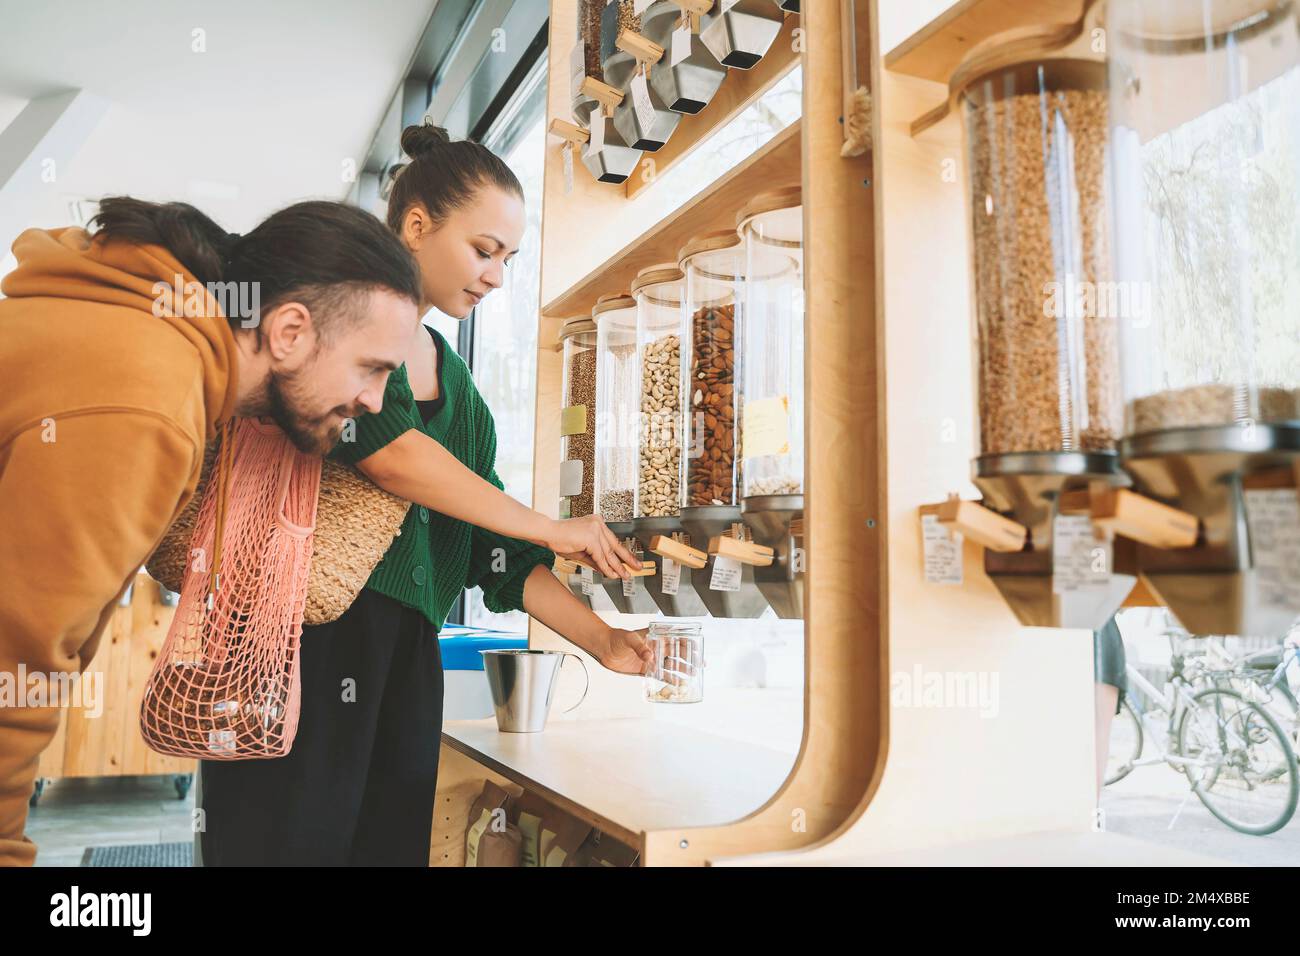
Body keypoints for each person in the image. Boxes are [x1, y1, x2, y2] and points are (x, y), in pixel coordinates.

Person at [0, 197, 633, 866]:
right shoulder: (146, 397)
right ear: (291, 331)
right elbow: (18, 667)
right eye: (371, 370)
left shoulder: (165, 370)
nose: (371, 401)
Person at [198, 124, 655, 866]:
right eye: (484, 250)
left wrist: (601, 639)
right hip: (299, 637)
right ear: (416, 224)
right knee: (279, 844)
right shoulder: (338, 327)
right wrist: (554, 525)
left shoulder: (465, 397)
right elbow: (389, 455)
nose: (498, 277)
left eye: (509, 258)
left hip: (410, 654)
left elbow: (490, 549)